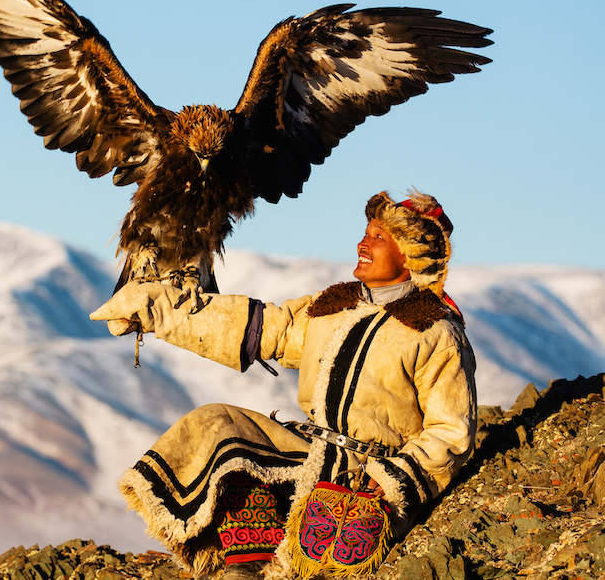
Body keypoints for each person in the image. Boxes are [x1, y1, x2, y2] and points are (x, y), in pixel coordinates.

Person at [90, 191, 477, 579]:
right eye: (366, 232)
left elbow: (450, 432)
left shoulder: (435, 332)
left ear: (411, 256)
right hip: (306, 451)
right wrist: (159, 309)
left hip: (367, 477)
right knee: (218, 424)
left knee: (331, 549)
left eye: (379, 237)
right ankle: (248, 562)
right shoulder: (334, 305)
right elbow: (267, 327)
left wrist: (393, 479)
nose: (363, 243)